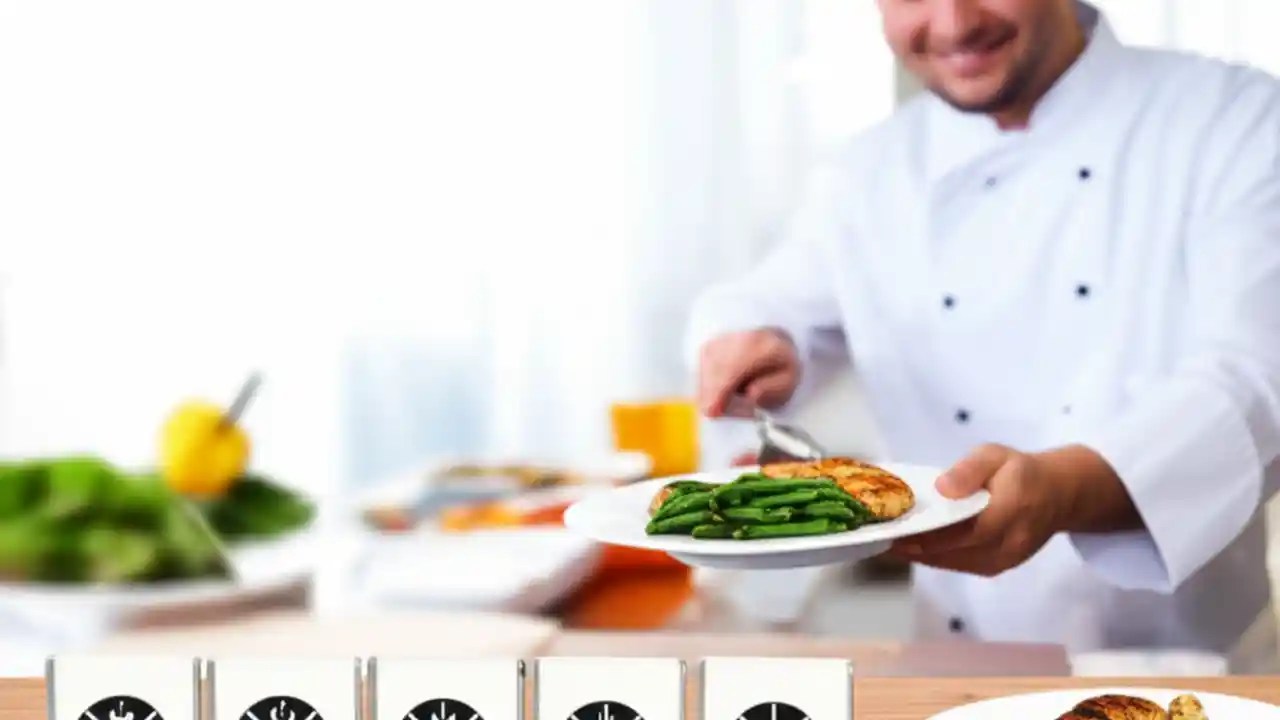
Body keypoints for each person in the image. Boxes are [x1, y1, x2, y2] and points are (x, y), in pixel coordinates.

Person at [687, 0, 1280, 670]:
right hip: (957, 662)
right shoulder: (869, 171)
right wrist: (759, 341)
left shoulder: (1236, 117)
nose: (952, 23)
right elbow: (770, 298)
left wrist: (1065, 492)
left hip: (1188, 667)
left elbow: (1256, 374)